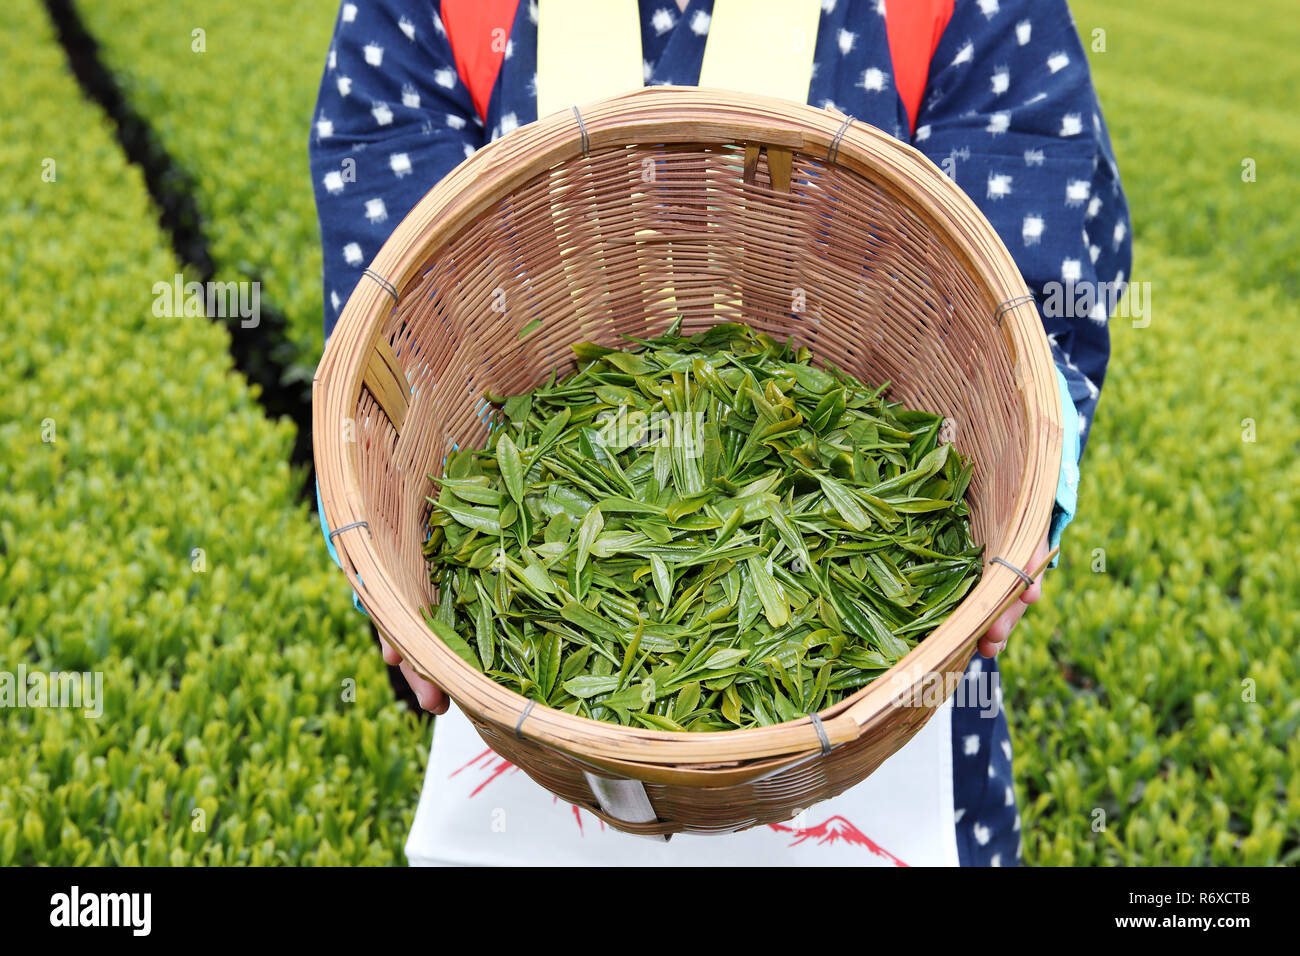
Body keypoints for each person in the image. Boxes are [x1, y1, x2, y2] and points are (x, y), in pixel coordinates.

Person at [309, 0, 1130, 866]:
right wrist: (377, 550)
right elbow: (390, 331)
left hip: (888, 712)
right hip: (533, 737)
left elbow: (1032, 303)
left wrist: (1037, 485)